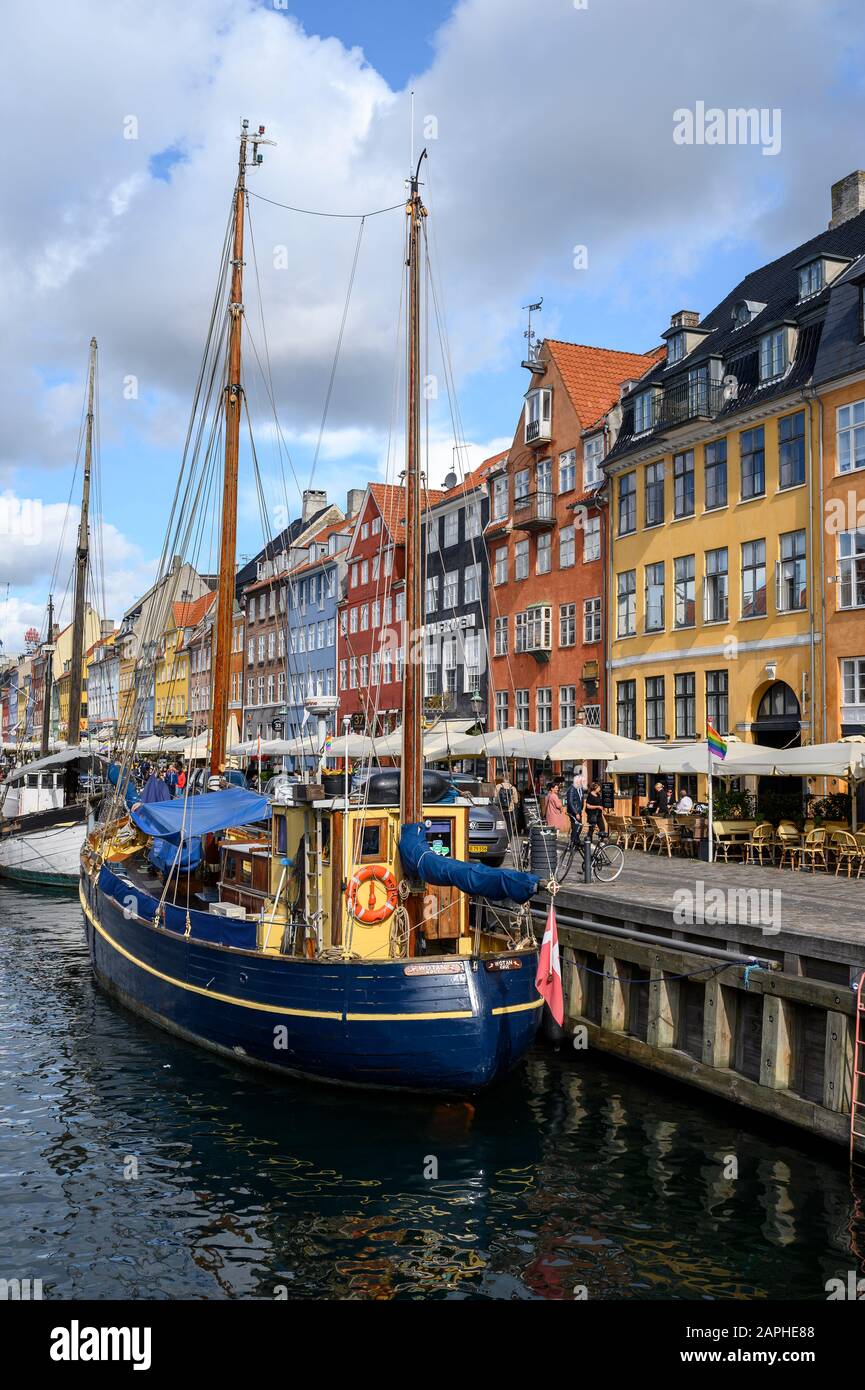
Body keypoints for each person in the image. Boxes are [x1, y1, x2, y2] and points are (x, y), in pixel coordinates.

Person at [496, 773, 519, 841]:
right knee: (509, 827)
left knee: (500, 826)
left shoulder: (498, 786)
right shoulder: (513, 788)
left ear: (503, 777)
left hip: (501, 810)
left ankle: (501, 841)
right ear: (509, 778)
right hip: (510, 810)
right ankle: (508, 843)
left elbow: (494, 797)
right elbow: (516, 801)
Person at [565, 773, 585, 847]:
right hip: (574, 812)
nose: (582, 783)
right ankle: (573, 843)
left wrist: (580, 810)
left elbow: (581, 799)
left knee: (579, 827)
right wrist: (576, 813)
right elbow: (570, 802)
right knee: (576, 827)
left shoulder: (580, 788)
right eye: (581, 781)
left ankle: (576, 841)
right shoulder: (571, 789)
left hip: (579, 811)